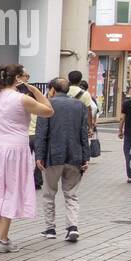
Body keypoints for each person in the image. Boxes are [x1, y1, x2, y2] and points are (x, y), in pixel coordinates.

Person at [0, 64, 54, 253]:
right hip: (15, 148)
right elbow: (48, 111)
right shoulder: (22, 99)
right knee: (10, 190)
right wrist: (34, 90)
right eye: (25, 76)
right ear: (18, 78)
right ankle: (3, 239)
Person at [35, 78, 90, 243]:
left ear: (52, 89)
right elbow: (83, 132)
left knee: (49, 193)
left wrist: (39, 156)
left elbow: (41, 133)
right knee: (71, 194)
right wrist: (86, 157)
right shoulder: (79, 105)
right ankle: (72, 227)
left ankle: (50, 228)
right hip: (75, 155)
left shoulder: (47, 105)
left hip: (53, 156)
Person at [67, 70, 98, 135]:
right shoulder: (85, 94)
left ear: (69, 79)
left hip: (64, 122)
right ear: (80, 80)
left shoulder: (63, 91)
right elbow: (89, 111)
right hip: (79, 124)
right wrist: (90, 127)